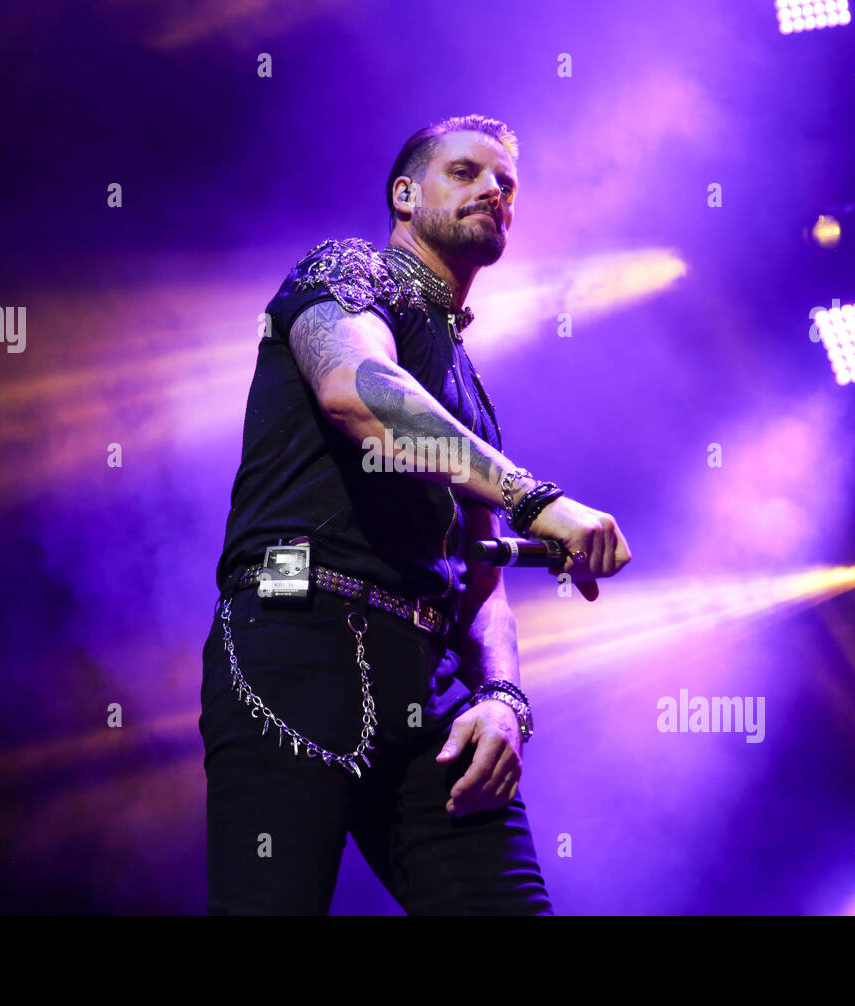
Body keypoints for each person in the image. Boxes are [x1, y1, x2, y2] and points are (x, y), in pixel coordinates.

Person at [200, 114, 631, 914]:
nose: (492, 193)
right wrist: (538, 500)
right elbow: (356, 391)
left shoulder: (471, 397)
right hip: (298, 640)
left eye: (506, 186)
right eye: (465, 173)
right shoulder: (349, 271)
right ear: (404, 194)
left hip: (431, 692)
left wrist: (504, 696)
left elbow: (483, 575)